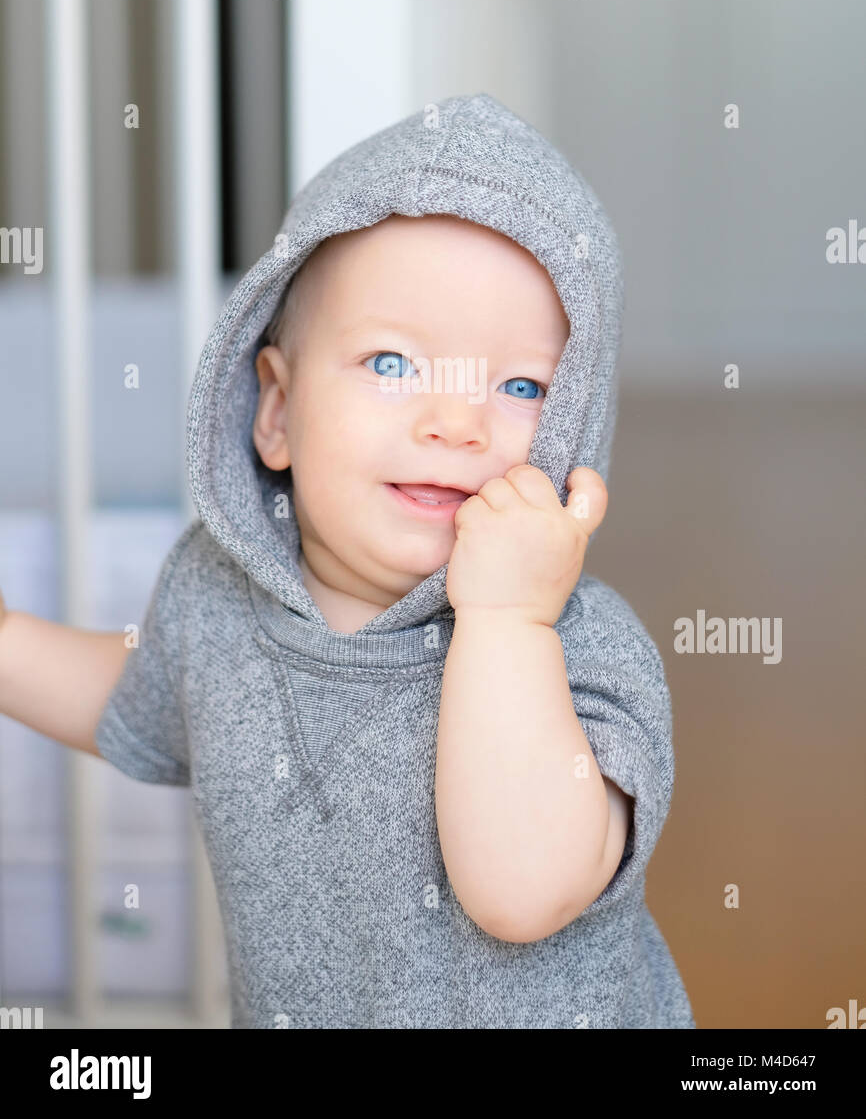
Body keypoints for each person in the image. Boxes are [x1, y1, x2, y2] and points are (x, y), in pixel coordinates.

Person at [0, 92, 695, 1028]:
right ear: (278, 410)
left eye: (521, 385)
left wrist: (505, 621)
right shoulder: (218, 596)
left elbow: (521, 891)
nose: (454, 422)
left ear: (575, 430)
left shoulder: (582, 650)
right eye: (393, 364)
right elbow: (142, 699)